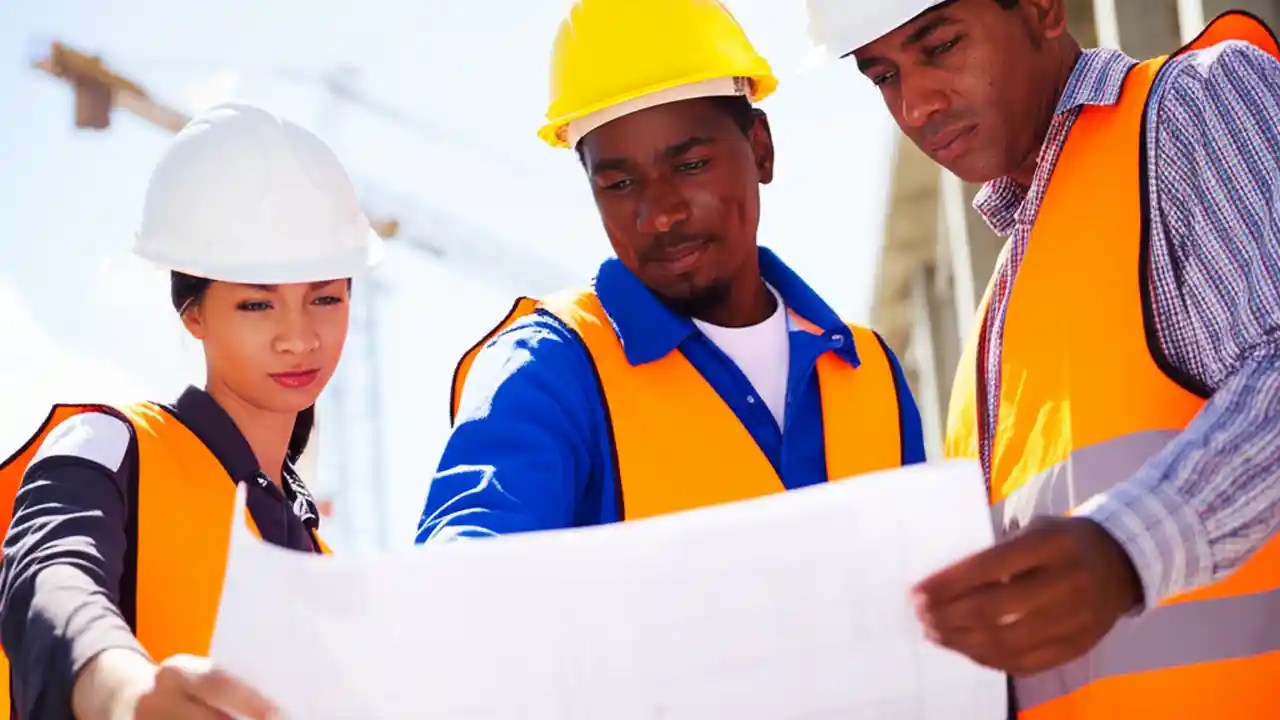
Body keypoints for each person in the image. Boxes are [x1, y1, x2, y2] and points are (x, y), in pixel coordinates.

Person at [805, 0, 1280, 716]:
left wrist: (1128, 549)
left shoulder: (1197, 103)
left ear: (1041, 10)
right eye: (882, 76)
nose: (915, 106)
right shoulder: (1000, 311)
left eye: (939, 47)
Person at [416, 0, 925, 542]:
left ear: (760, 149)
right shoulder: (551, 368)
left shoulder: (869, 375)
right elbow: (463, 572)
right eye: (619, 184)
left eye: (690, 166)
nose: (660, 214)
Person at [0, 102, 382, 719]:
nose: (299, 337)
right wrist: (122, 692)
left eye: (325, 298)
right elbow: (49, 577)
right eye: (258, 305)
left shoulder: (321, 559)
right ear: (193, 311)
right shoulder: (109, 443)